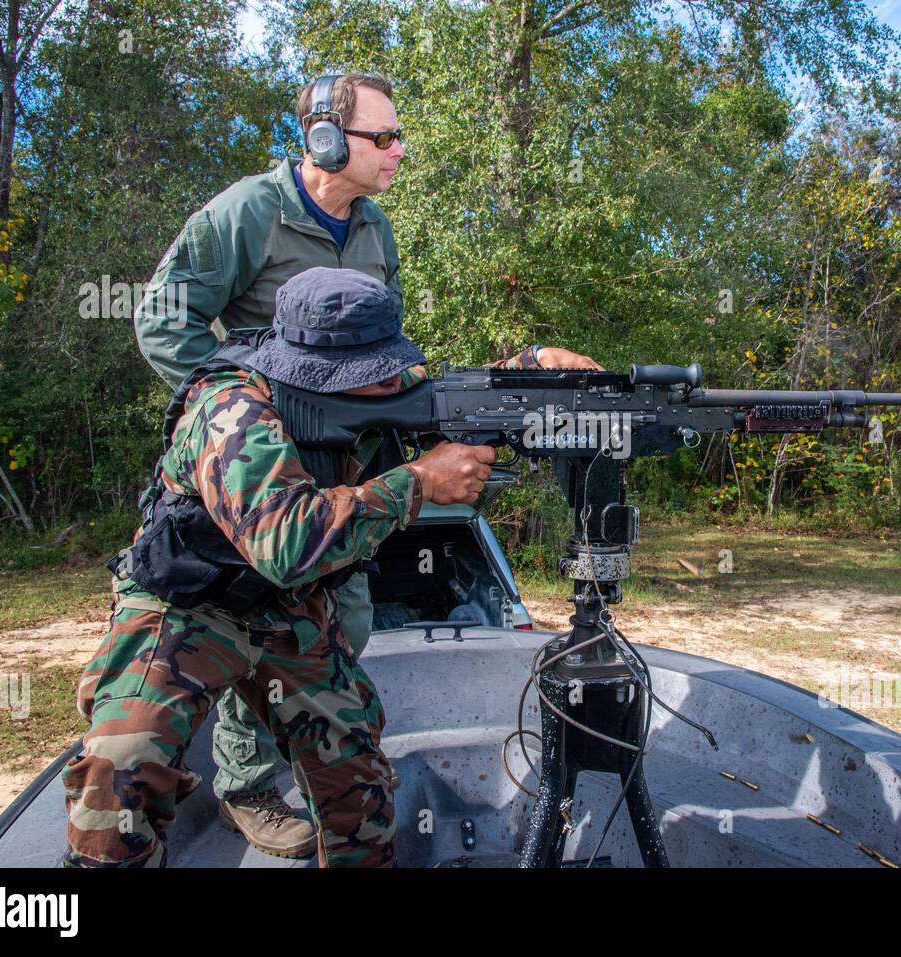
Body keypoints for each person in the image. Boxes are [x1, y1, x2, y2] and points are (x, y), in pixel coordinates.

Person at [132, 74, 599, 856]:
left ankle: (319, 769)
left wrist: (518, 371)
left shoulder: (375, 227)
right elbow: (161, 320)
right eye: (382, 138)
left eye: (398, 135)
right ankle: (245, 780)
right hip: (257, 472)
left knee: (341, 618)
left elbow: (388, 363)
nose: (398, 151)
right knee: (244, 613)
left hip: (341, 478)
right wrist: (241, 410)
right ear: (322, 139)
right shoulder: (251, 211)